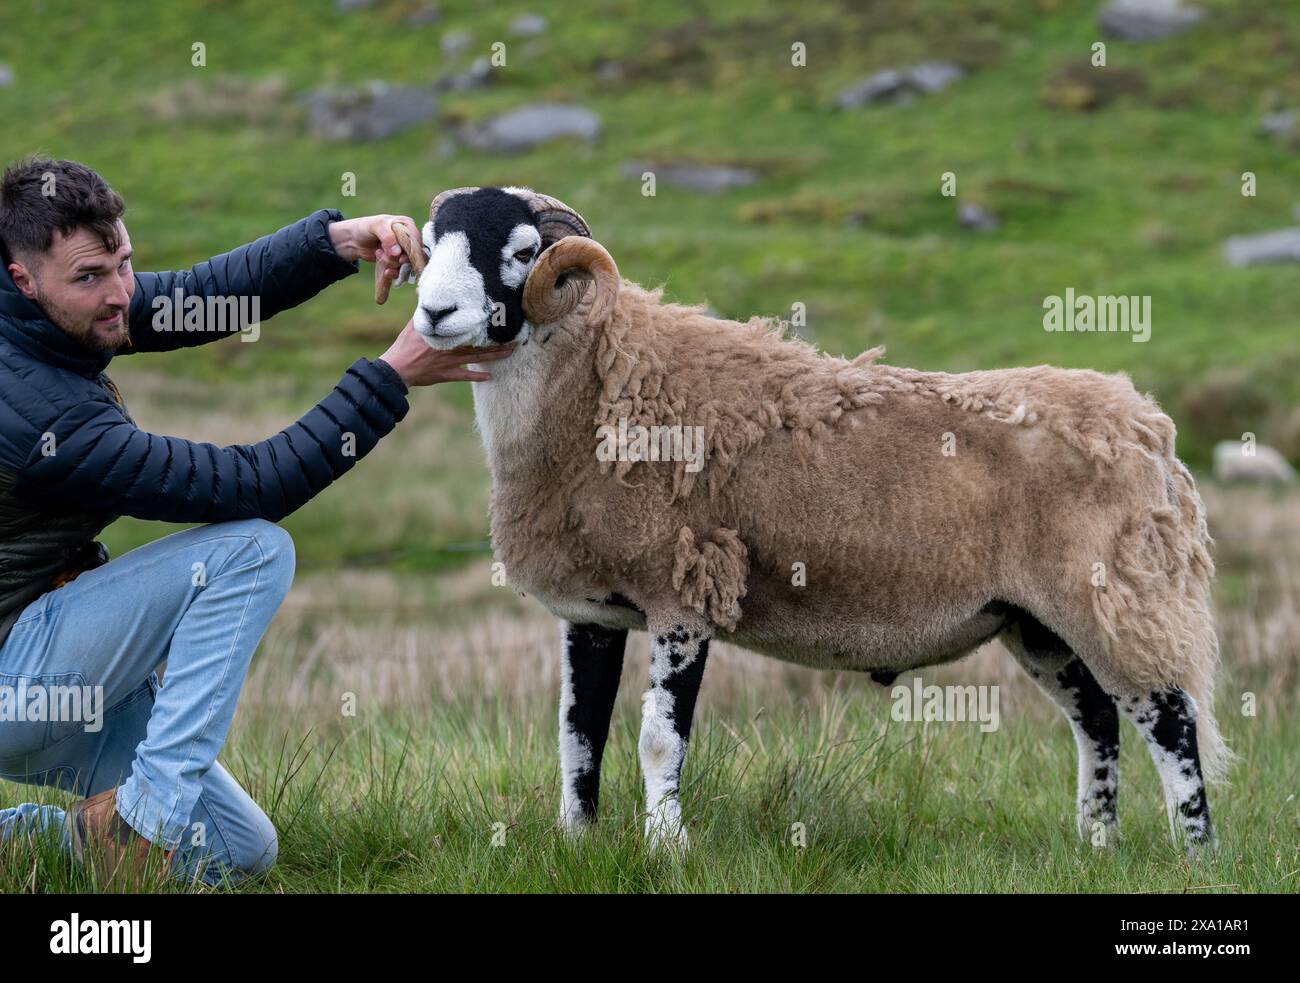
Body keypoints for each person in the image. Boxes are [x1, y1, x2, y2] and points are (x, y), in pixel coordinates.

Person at [0, 156, 512, 887]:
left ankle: (40, 842)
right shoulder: (40, 416)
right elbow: (253, 483)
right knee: (250, 550)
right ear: (25, 277)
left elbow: (199, 297)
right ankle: (141, 827)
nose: (121, 294)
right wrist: (391, 374)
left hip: (48, 662)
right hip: (20, 683)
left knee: (240, 850)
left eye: (125, 263)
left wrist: (335, 241)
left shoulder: (51, 315)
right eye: (91, 276)